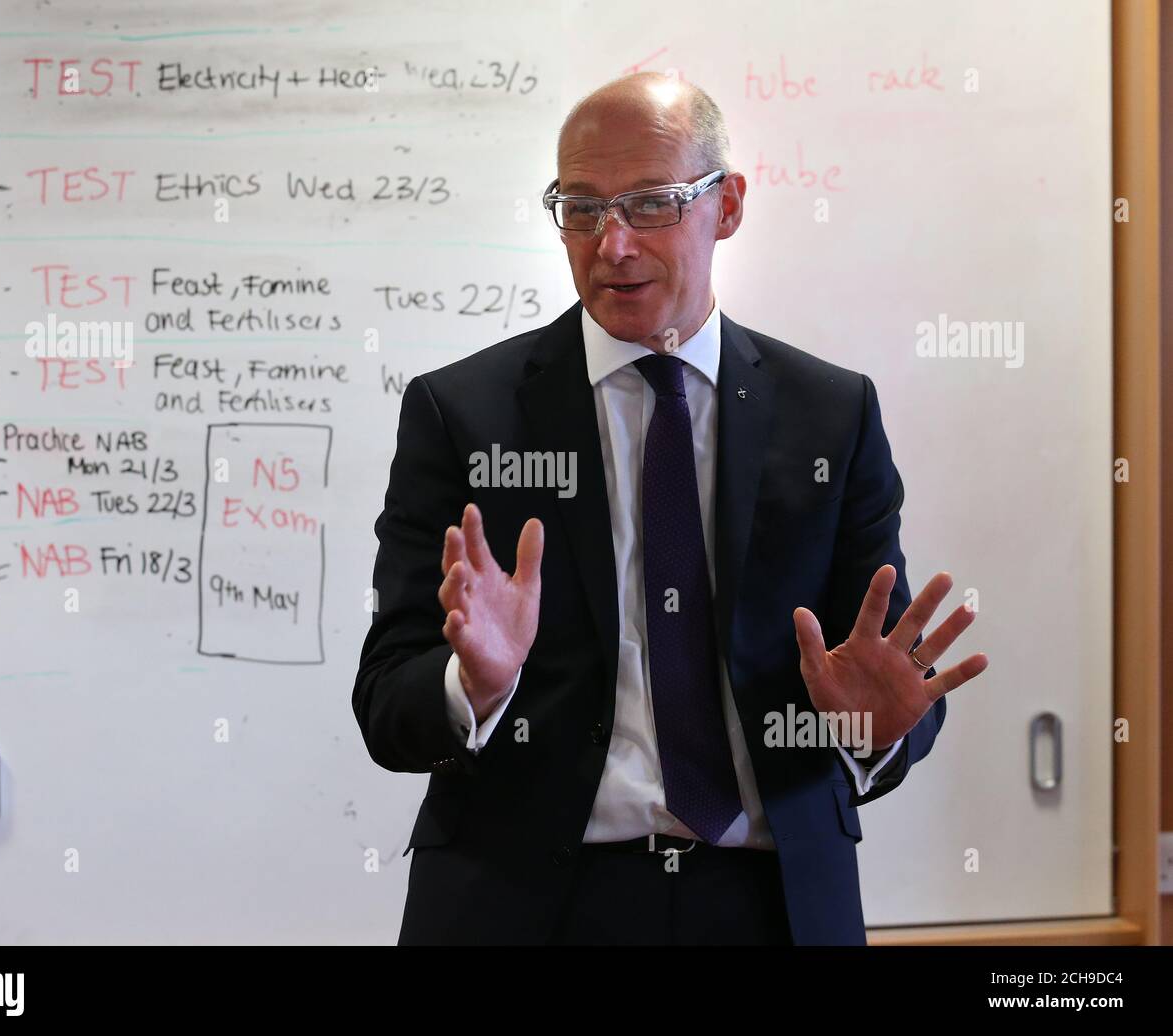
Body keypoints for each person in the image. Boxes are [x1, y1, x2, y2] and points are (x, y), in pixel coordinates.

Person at [352, 71, 988, 945]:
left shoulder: (830, 416)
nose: (610, 244)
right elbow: (388, 700)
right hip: (526, 906)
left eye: (650, 204)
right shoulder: (462, 415)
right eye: (579, 208)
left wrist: (867, 728)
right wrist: (477, 684)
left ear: (725, 205)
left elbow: (886, 678)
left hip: (771, 905)